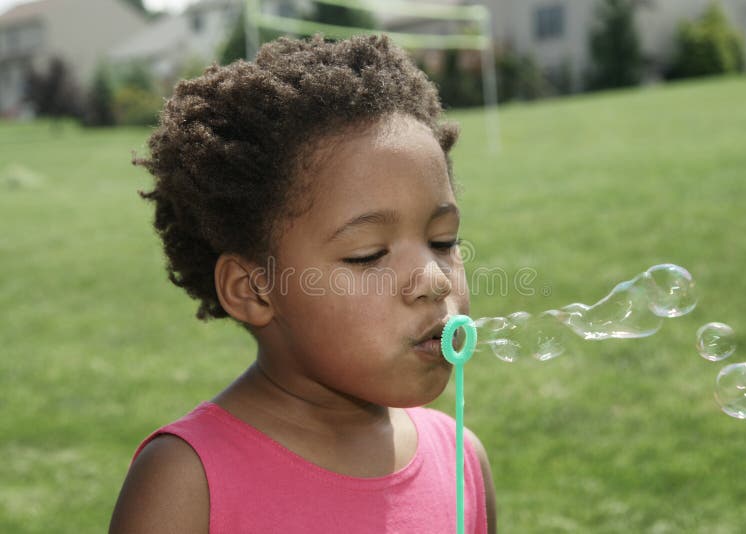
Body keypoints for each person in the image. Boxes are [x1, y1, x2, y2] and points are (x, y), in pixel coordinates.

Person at [109, 34, 496, 534]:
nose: (432, 281)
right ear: (254, 289)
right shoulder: (187, 486)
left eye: (443, 241)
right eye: (368, 254)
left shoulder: (462, 459)